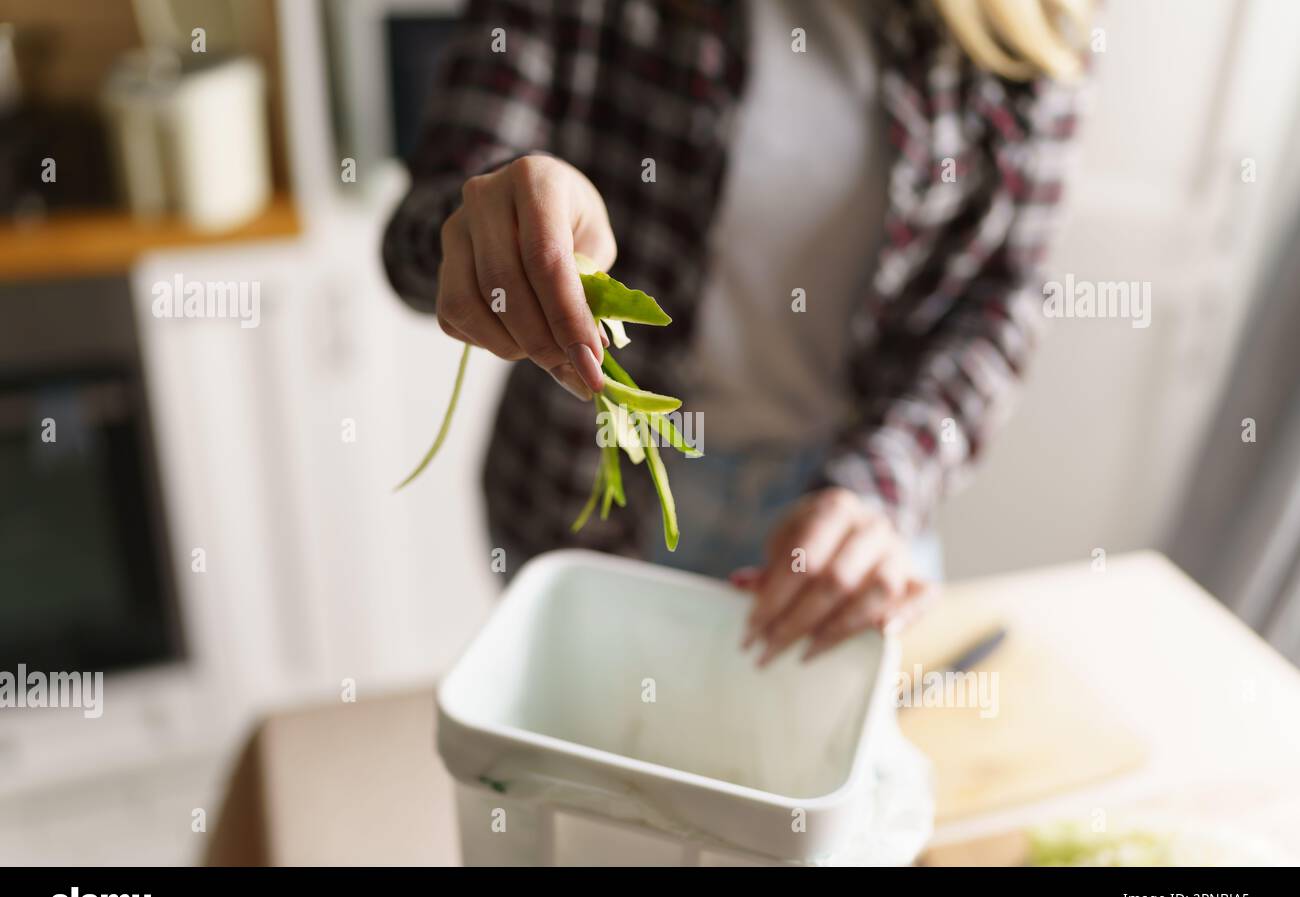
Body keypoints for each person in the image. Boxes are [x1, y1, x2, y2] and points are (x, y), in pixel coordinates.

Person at [383, 0, 1089, 665]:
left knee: (823, 770)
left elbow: (1004, 296)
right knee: (609, 766)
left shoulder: (1029, 21)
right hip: (576, 500)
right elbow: (419, 231)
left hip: (844, 514)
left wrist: (881, 489)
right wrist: (484, 228)